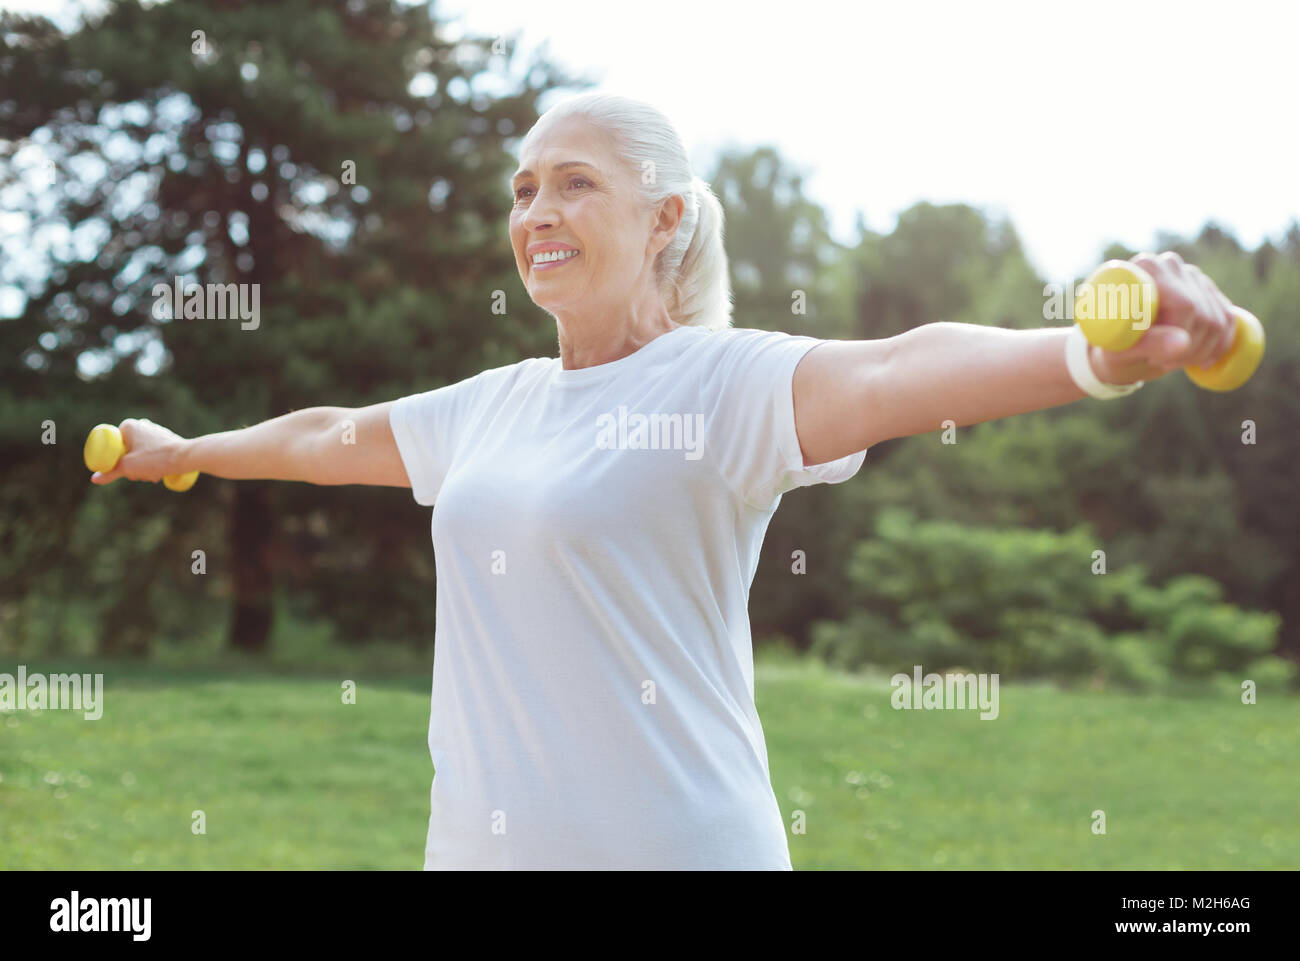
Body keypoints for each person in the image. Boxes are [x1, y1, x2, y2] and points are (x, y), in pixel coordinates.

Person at [93, 93, 1240, 870]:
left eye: (574, 185)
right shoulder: (493, 405)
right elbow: (330, 435)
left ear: (665, 219)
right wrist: (190, 450)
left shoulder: (722, 385)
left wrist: (1091, 356)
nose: (536, 212)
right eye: (524, 189)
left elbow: (900, 367)